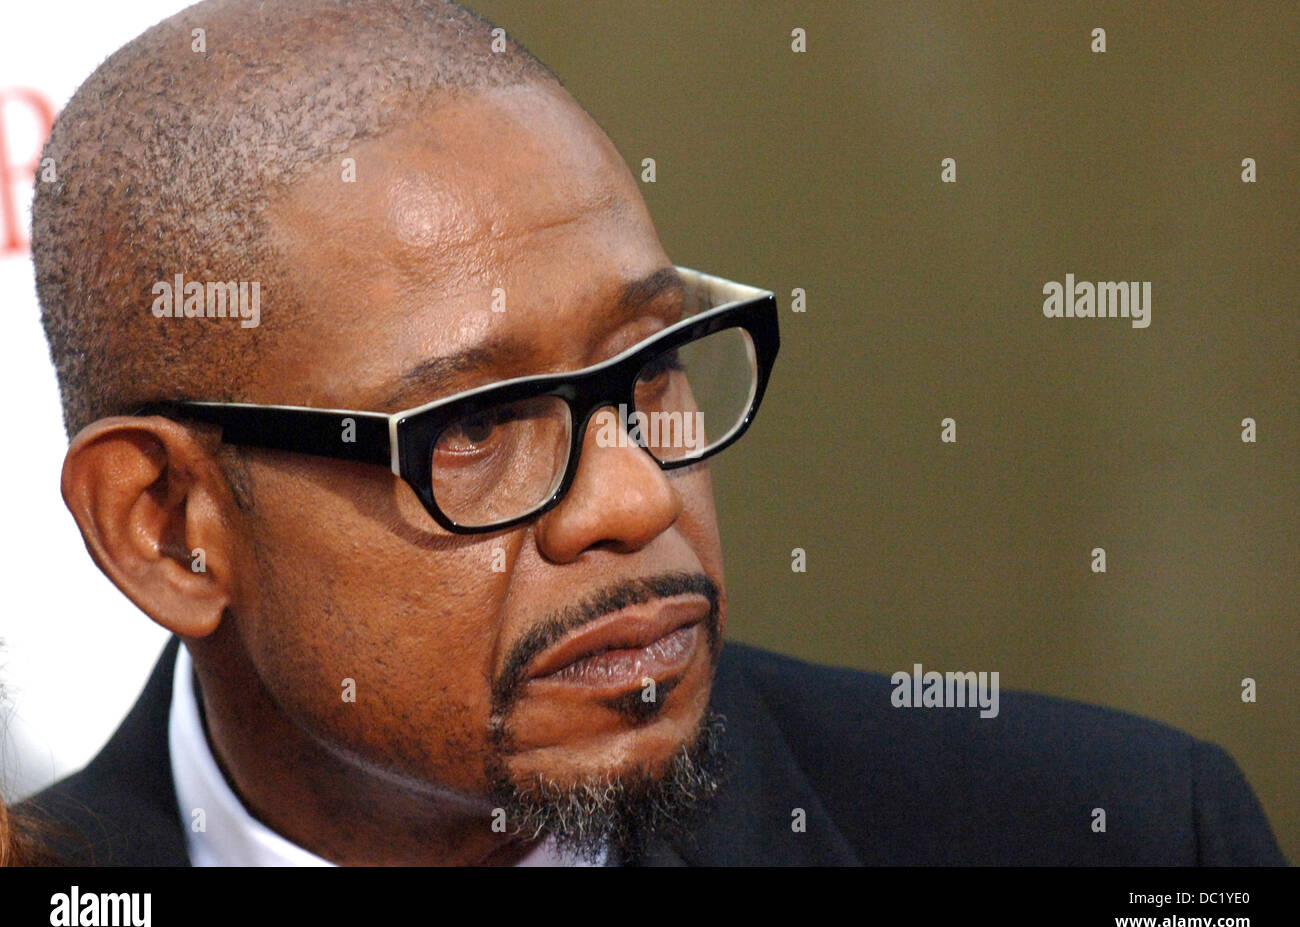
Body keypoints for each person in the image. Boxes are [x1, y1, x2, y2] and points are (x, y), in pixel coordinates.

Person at [19, 0, 1286, 866]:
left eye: (652, 364)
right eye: (475, 423)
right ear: (167, 529)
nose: (631, 499)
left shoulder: (1100, 833)